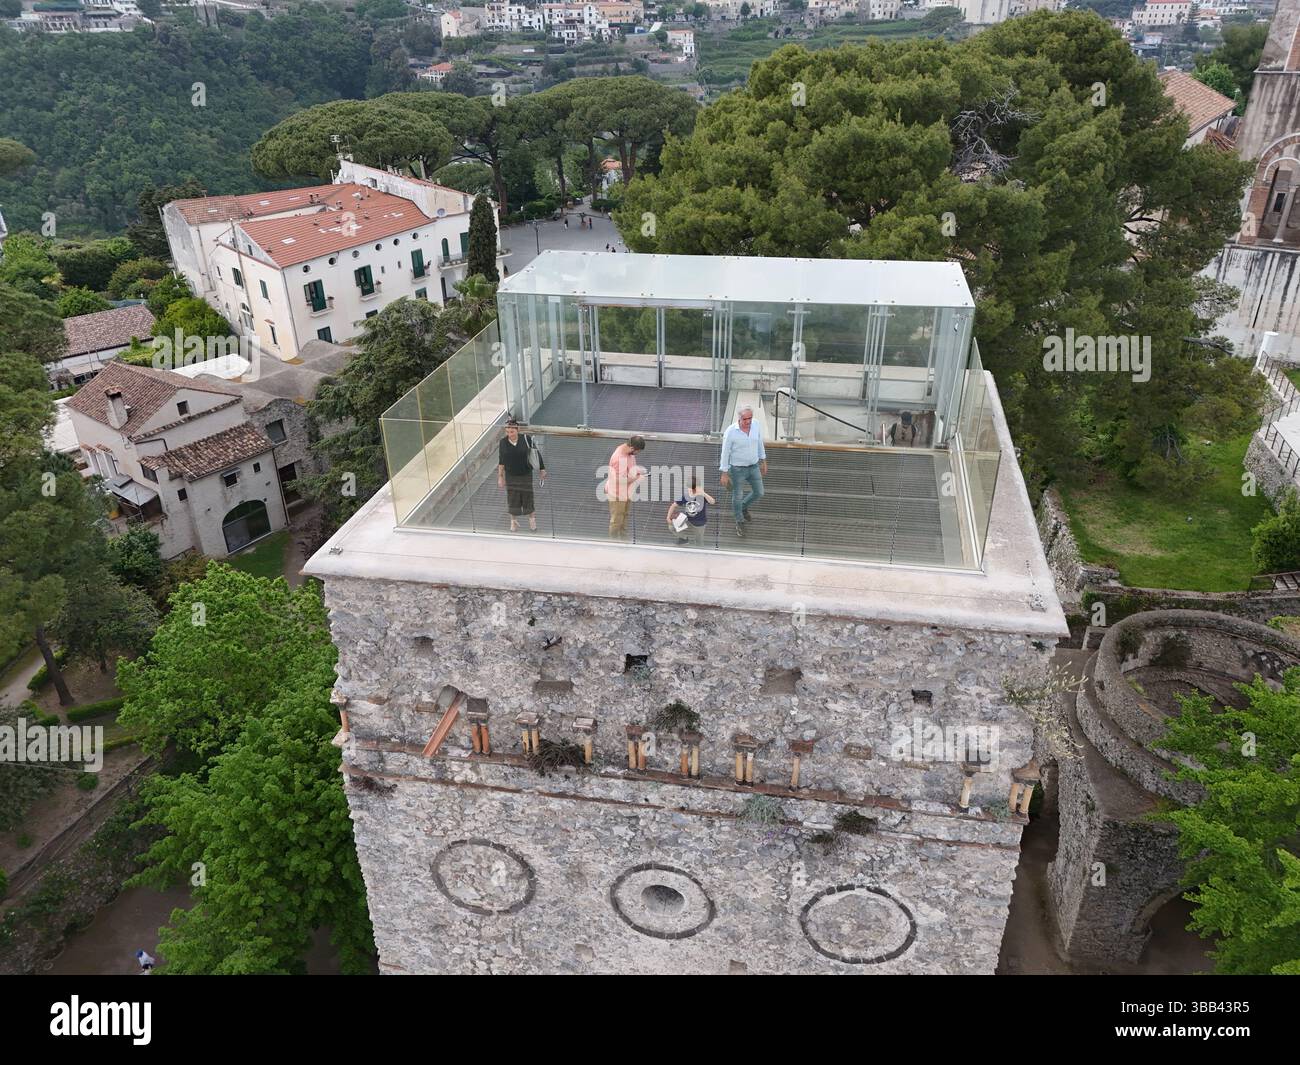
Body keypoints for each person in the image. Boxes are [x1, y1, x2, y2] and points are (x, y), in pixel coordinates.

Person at [719, 405, 766, 539]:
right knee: (737, 496)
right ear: (739, 418)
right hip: (737, 469)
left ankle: (743, 507)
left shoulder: (756, 425)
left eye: (750, 418)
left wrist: (763, 460)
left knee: (759, 492)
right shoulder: (731, 432)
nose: (748, 421)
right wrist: (724, 472)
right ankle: (739, 521)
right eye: (745, 419)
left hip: (754, 466)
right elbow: (725, 452)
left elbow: (759, 443)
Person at [498, 418, 546, 532]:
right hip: (511, 475)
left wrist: (542, 469)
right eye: (508, 432)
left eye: (512, 432)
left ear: (517, 430)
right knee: (512, 499)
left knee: (528, 497)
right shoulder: (503, 442)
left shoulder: (526, 439)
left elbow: (536, 454)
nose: (510, 434)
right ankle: (513, 522)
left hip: (525, 474)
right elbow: (501, 460)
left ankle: (532, 521)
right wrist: (500, 476)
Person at [603, 435, 646, 539]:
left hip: (626, 492)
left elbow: (629, 468)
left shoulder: (627, 450)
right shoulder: (619, 459)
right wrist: (636, 478)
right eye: (638, 451)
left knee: (625, 516)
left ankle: (624, 539)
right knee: (616, 520)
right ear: (632, 448)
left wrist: (638, 471)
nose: (637, 454)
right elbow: (620, 480)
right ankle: (613, 541)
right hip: (617, 494)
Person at [666, 475, 716, 547]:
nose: (691, 490)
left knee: (699, 542)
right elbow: (673, 505)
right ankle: (684, 539)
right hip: (687, 519)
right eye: (689, 488)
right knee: (672, 527)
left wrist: (704, 493)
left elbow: (712, 502)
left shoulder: (702, 496)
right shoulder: (686, 496)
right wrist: (668, 517)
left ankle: (698, 553)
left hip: (699, 522)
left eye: (693, 488)